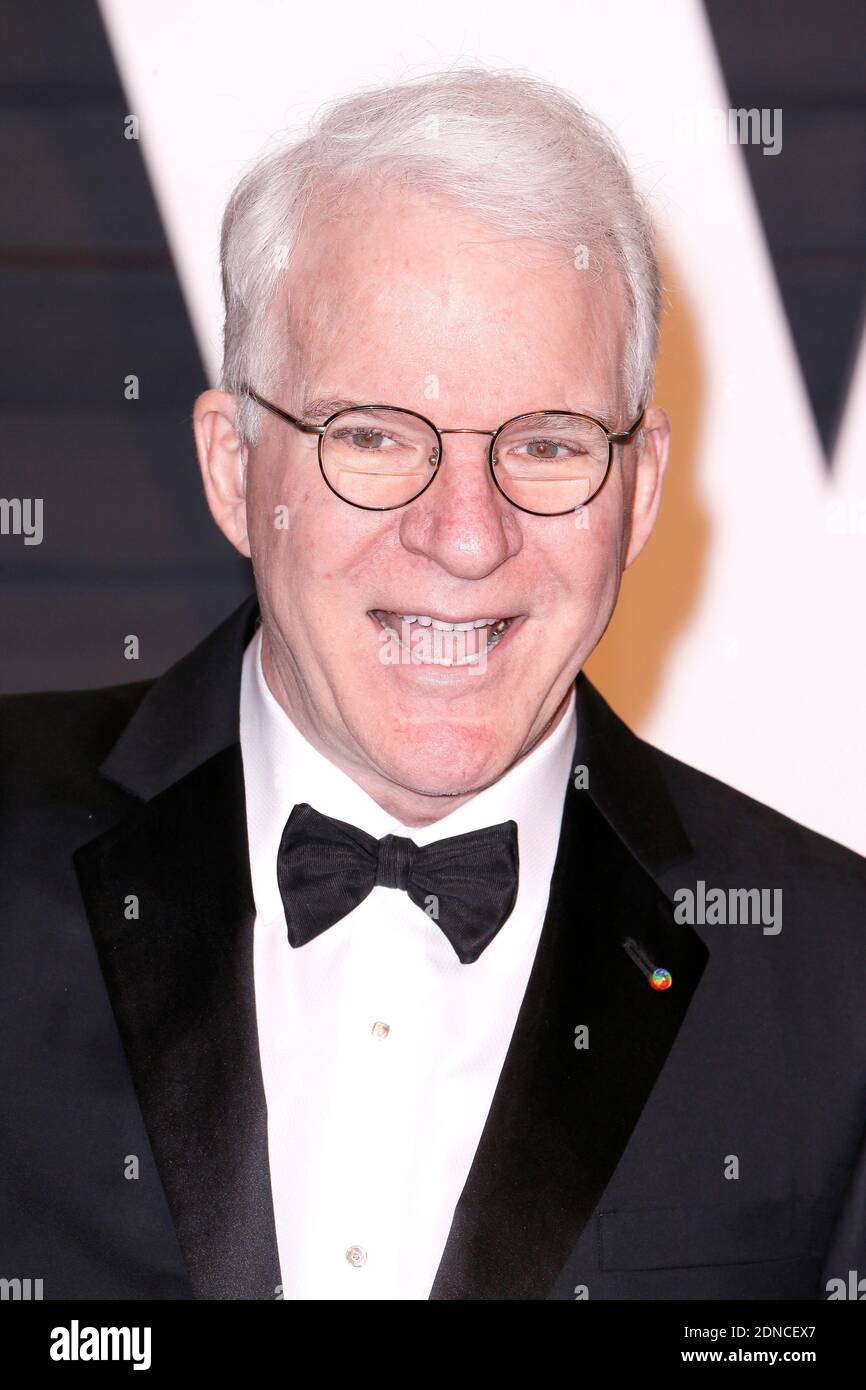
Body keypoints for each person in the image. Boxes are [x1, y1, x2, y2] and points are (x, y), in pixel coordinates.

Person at [3, 67, 865, 1302]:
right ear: (235, 468)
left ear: (641, 490)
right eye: (373, 434)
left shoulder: (836, 991)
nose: (466, 535)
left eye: (548, 443)